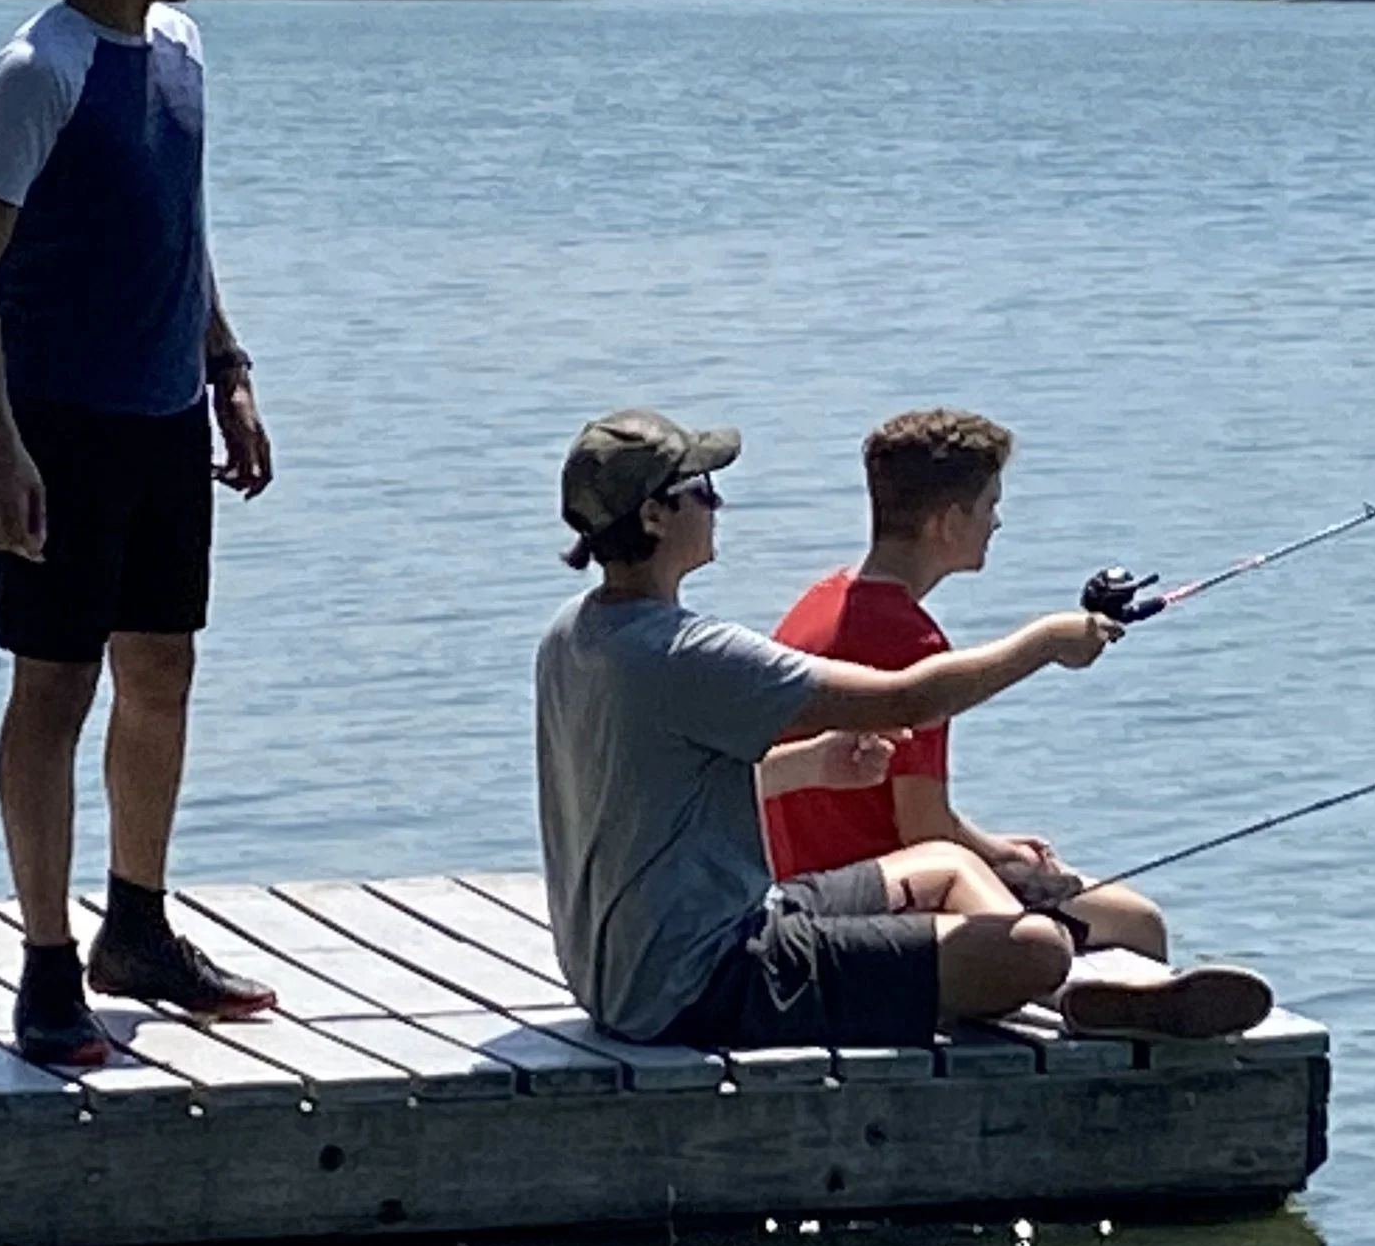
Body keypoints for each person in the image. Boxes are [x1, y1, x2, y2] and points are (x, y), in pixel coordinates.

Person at [534, 408, 1273, 1051]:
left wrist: (811, 764)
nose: (716, 503)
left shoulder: (573, 636)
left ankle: (1079, 998)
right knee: (1036, 947)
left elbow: (652, 786)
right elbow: (904, 699)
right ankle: (1057, 983)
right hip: (701, 982)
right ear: (656, 517)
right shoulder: (686, 651)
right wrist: (1046, 642)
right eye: (701, 490)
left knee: (944, 866)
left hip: (629, 968)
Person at [0, 0, 277, 1067]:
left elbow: (179, 232)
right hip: (60, 432)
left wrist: (227, 368)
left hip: (163, 418)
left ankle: (137, 928)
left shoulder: (180, 48)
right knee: (54, 687)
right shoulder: (38, 70)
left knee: (162, 671)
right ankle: (43, 967)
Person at [763, 408, 1171, 959]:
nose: (996, 524)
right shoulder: (916, 649)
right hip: (885, 906)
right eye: (989, 507)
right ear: (948, 523)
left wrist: (994, 848)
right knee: (1138, 924)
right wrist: (1011, 865)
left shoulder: (815, 605)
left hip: (802, 888)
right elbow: (922, 830)